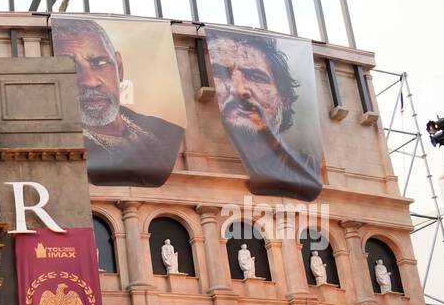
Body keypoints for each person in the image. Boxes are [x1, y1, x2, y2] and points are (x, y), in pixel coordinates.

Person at [51, 17, 185, 187]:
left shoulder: (168, 132)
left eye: (99, 63)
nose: (90, 81)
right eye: (70, 68)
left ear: (119, 68)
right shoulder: (55, 144)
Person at [207, 29, 322, 201]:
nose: (240, 90)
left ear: (285, 100)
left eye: (255, 77)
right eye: (220, 73)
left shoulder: (307, 168)